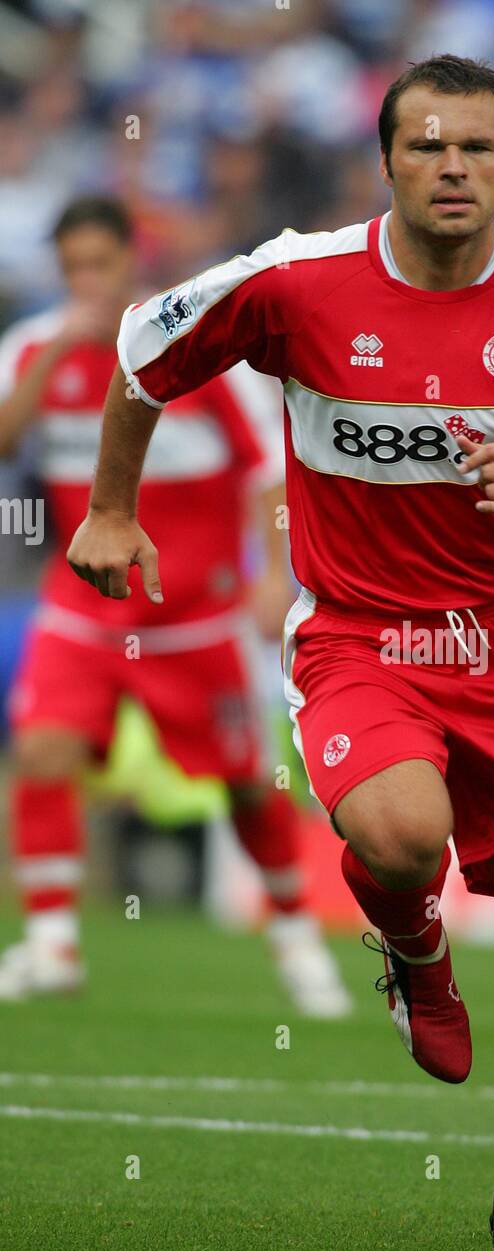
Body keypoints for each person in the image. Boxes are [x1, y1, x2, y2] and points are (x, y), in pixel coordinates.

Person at [66, 56, 494, 1251]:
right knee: (396, 833)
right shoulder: (298, 281)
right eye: (428, 146)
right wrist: (111, 507)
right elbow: (142, 351)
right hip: (362, 635)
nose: (453, 168)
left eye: (477, 149)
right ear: (385, 161)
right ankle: (412, 947)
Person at [0, 195, 351, 1018]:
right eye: (74, 268)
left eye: (101, 264)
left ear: (133, 263)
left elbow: (272, 468)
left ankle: (297, 938)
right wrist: (55, 354)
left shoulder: (189, 353)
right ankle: (52, 944)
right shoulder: (31, 351)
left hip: (193, 615)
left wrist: (274, 575)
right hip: (81, 609)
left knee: (244, 783)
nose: (88, 281)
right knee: (44, 750)